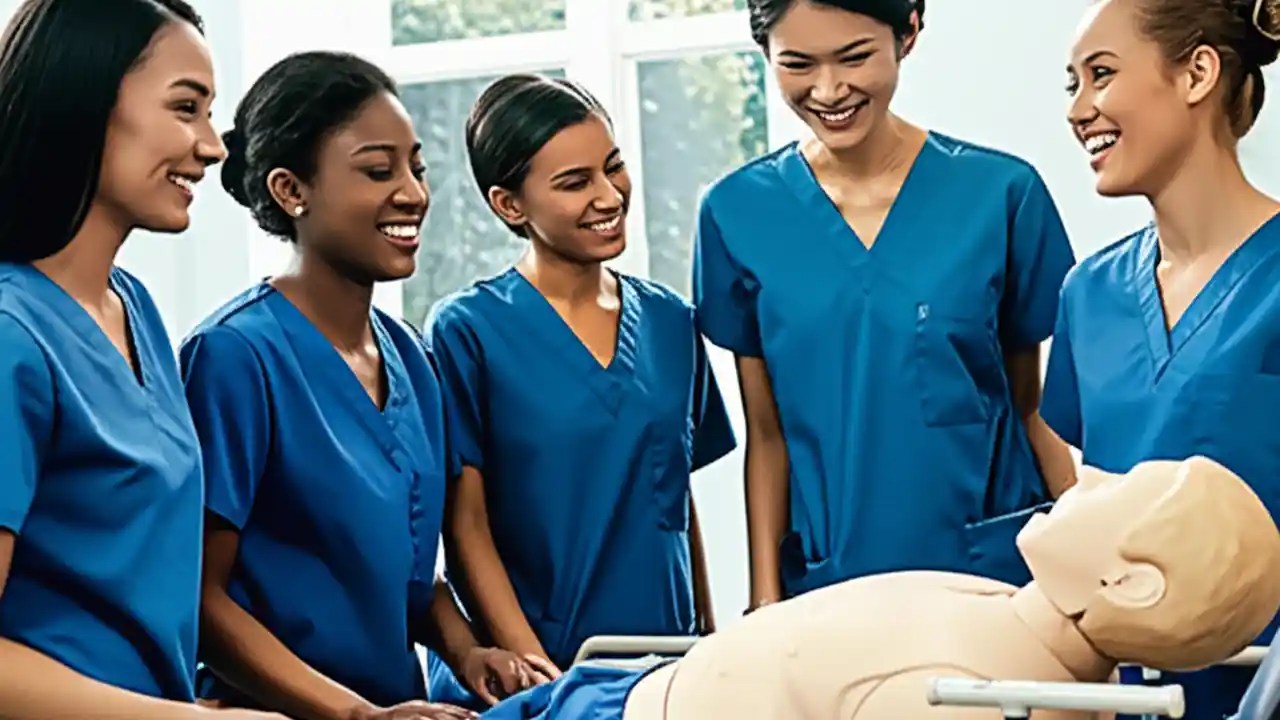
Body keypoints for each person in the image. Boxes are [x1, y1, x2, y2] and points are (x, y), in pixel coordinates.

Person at [182, 51, 542, 720]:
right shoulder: (235, 357)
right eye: (379, 171)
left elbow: (404, 574)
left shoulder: (409, 356)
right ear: (293, 190)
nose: (412, 193)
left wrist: (467, 654)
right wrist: (354, 716)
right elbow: (202, 600)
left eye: (417, 167)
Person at [693, 0, 1078, 613]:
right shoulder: (736, 213)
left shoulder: (1001, 194)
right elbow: (768, 435)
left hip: (995, 580)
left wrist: (1089, 568)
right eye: (798, 64)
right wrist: (763, 601)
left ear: (910, 33)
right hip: (831, 588)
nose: (828, 90)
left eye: (855, 58)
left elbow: (1029, 407)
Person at [479, 456, 1280, 718]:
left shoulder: (970, 694)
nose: (1091, 472)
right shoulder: (1017, 622)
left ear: (1127, 582)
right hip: (610, 683)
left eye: (1120, 489)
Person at [0, 1, 279, 718]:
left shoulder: (135, 309)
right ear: (85, 100)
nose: (214, 147)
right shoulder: (11, 336)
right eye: (186, 107)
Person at [423, 74, 737, 708]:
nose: (608, 194)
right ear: (510, 205)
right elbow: (466, 525)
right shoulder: (467, 331)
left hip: (662, 671)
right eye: (574, 183)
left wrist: (707, 642)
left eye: (613, 167)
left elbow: (677, 502)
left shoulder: (672, 321)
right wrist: (540, 675)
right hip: (536, 677)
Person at [1046, 0, 1280, 717]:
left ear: (1197, 73)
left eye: (1102, 75)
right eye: (1071, 85)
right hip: (1132, 695)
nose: (1079, 109)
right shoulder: (1091, 295)